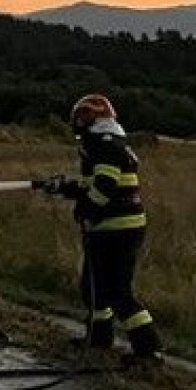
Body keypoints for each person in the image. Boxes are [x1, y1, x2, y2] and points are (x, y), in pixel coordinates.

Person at [50, 93, 161, 362]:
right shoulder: (105, 143)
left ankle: (148, 349)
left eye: (82, 116)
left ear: (94, 118)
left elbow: (105, 187)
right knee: (93, 287)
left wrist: (86, 209)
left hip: (118, 229)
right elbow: (95, 183)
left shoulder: (105, 143)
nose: (77, 122)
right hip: (110, 227)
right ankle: (99, 337)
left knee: (117, 291)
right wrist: (65, 188)